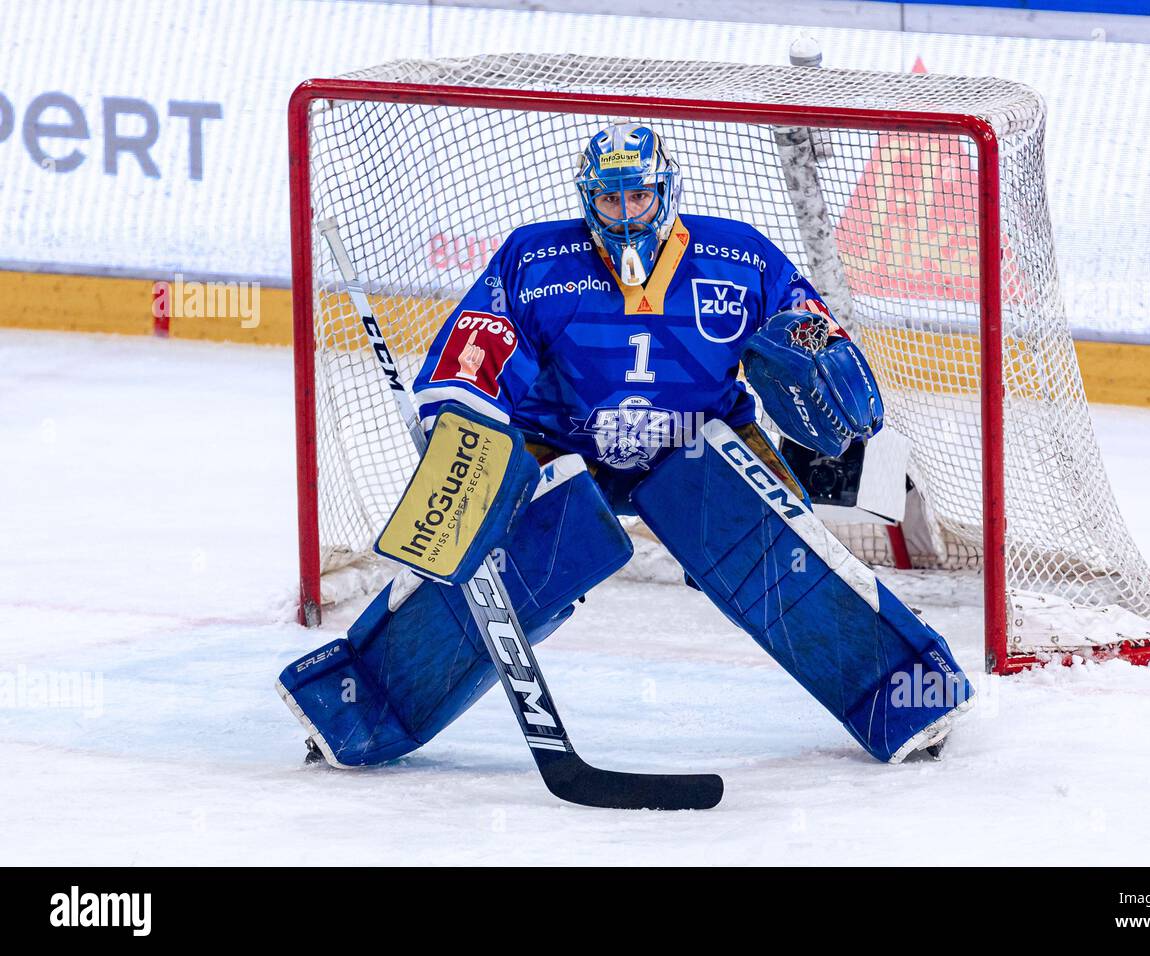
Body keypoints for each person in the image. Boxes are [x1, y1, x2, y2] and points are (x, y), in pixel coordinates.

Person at [279, 123, 973, 771]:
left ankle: (909, 696)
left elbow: (808, 323)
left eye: (637, 195)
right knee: (500, 563)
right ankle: (359, 707)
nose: (625, 213)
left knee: (778, 553)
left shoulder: (739, 256)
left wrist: (818, 351)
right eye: (609, 199)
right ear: (589, 200)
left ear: (665, 190)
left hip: (701, 443)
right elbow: (479, 347)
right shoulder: (536, 258)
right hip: (562, 446)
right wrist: (461, 419)